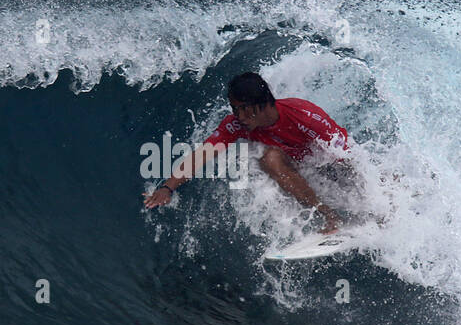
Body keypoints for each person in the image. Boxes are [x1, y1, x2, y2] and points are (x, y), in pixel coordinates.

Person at [143, 72, 351, 233]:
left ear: (263, 103)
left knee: (344, 175)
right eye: (235, 109)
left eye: (244, 108)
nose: (239, 116)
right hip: (296, 166)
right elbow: (203, 154)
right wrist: (168, 188)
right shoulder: (236, 125)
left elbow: (346, 156)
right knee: (270, 160)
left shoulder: (304, 116)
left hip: (328, 163)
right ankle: (330, 216)